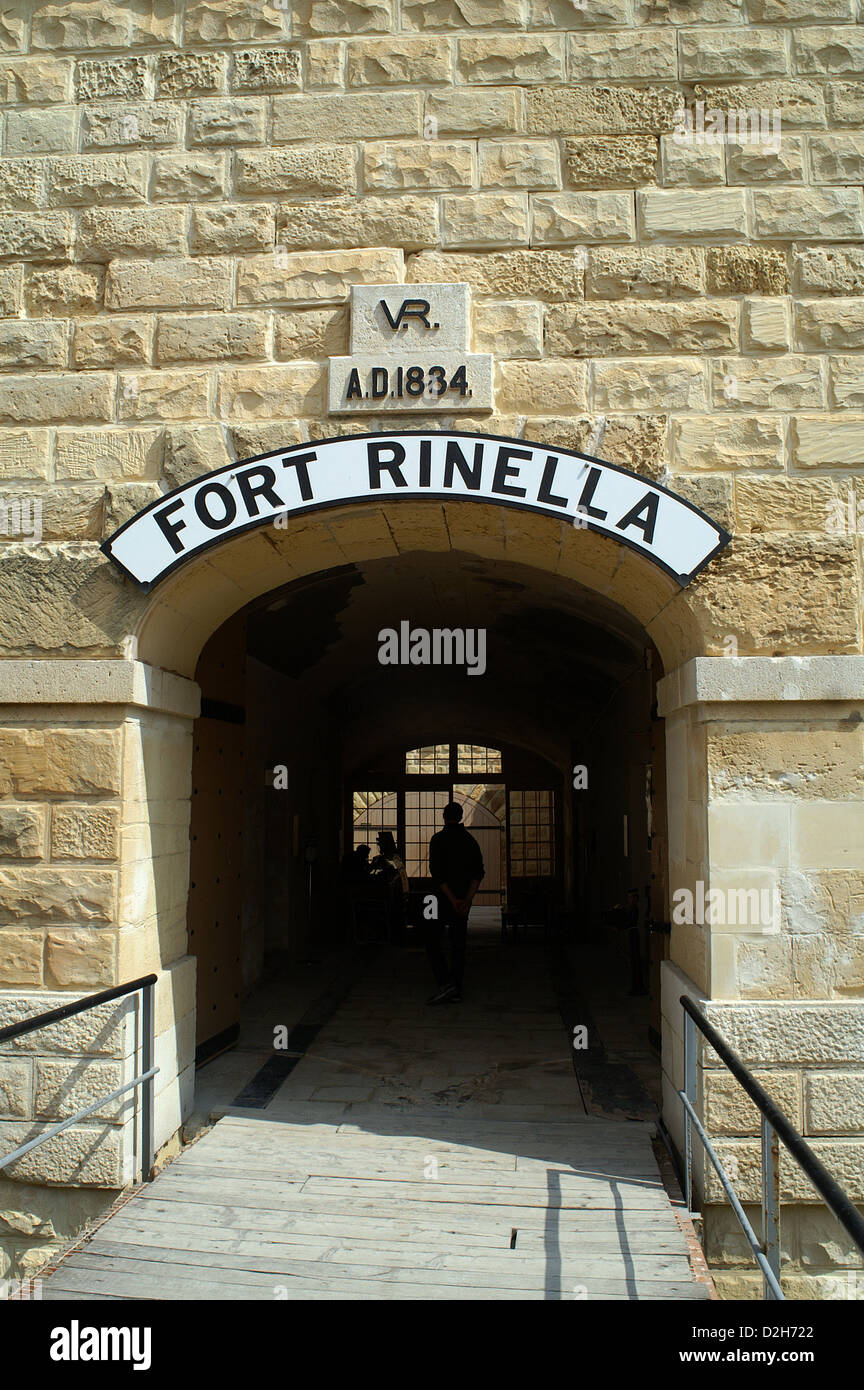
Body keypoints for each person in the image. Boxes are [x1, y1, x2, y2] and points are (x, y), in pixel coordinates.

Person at [425, 801, 484, 1005]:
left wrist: (452, 899)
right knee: (459, 944)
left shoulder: (438, 840)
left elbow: (437, 874)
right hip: (462, 902)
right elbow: (478, 874)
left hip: (437, 899)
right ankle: (456, 985)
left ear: (444, 816)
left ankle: (445, 982)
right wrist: (465, 900)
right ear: (461, 817)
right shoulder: (470, 841)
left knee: (432, 940)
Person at [370, 830, 409, 943]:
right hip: (402, 893)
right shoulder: (395, 858)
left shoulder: (391, 859)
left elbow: (390, 874)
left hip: (396, 895)